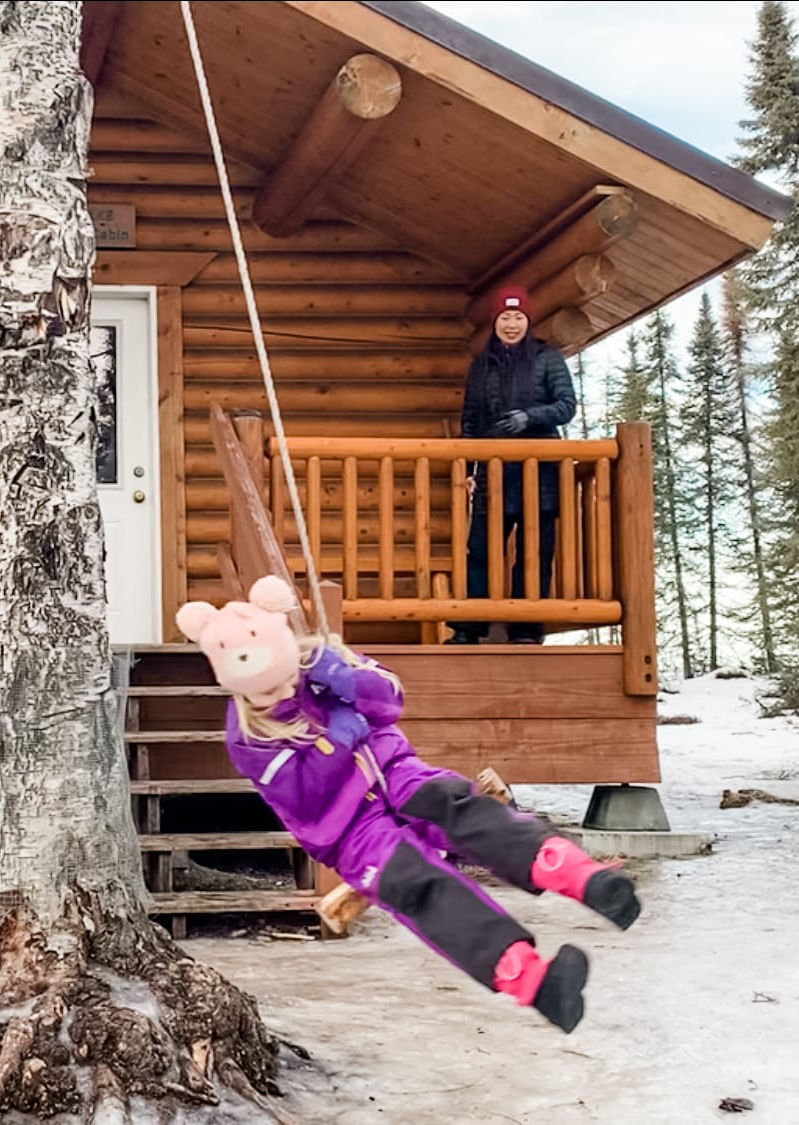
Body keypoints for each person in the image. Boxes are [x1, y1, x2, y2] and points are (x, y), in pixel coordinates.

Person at [176, 576, 640, 1034]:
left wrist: (346, 680)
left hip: (398, 774)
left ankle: (585, 880)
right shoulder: (247, 734)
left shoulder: (325, 660)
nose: (276, 694)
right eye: (261, 690)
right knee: (419, 887)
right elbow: (300, 795)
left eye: (280, 680)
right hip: (348, 832)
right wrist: (334, 745)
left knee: (458, 807)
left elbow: (390, 701)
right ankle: (535, 982)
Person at [451, 287, 577, 645]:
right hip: (494, 471)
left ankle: (527, 628)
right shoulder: (482, 366)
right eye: (504, 317)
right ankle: (469, 627)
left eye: (517, 317)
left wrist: (529, 418)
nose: (511, 324)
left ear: (528, 320)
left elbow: (567, 405)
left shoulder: (547, 358)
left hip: (541, 472)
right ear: (494, 322)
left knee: (534, 549)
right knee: (480, 548)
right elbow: (471, 422)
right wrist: (470, 469)